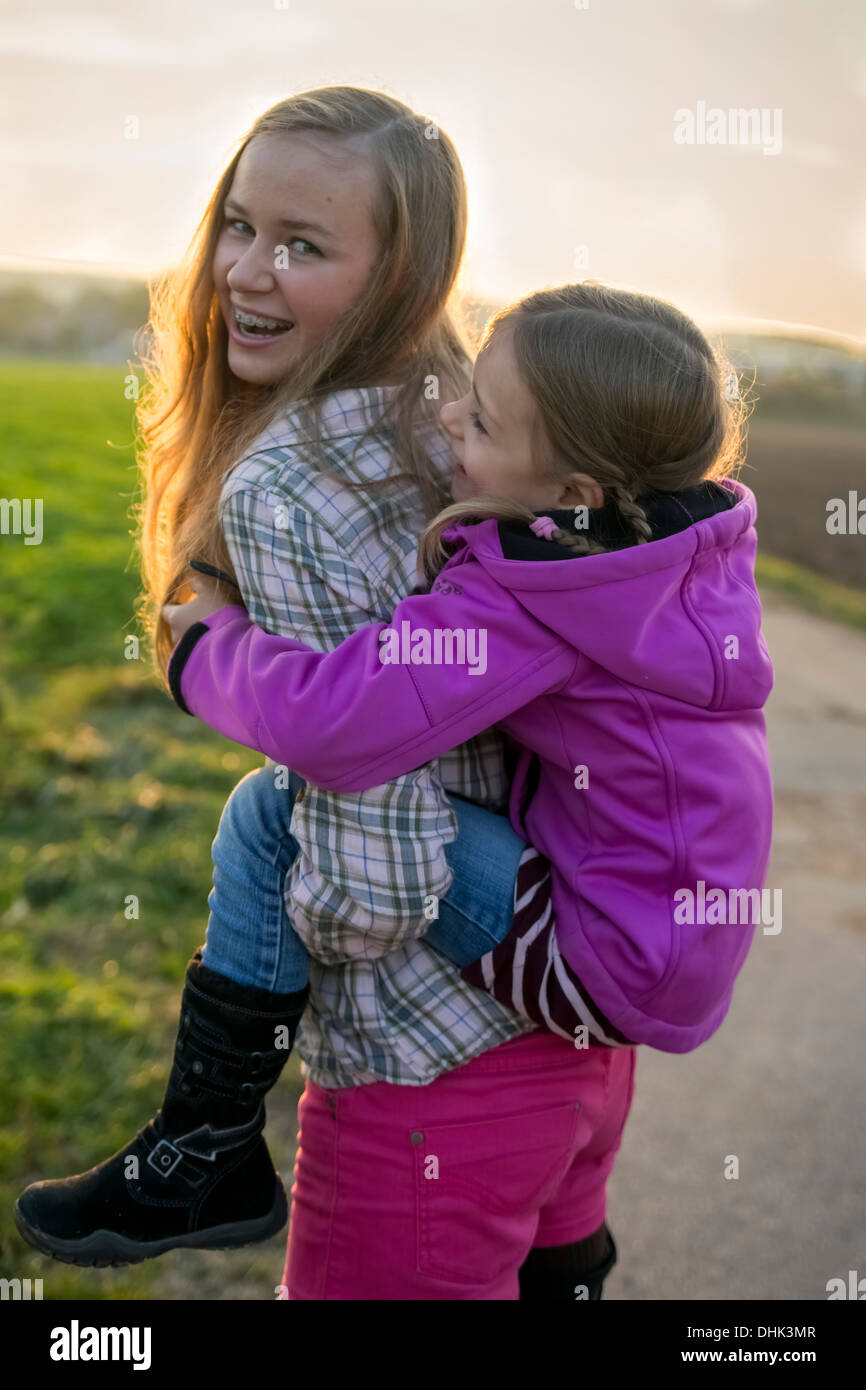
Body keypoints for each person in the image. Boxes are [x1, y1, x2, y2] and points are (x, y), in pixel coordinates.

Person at [15, 91, 633, 1301]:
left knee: (269, 809)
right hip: (572, 1049)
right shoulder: (473, 422)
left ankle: (203, 1148)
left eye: (302, 245)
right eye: (238, 226)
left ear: (401, 276)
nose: (245, 270)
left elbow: (378, 876)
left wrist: (305, 890)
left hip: (425, 1066)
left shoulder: (290, 483)